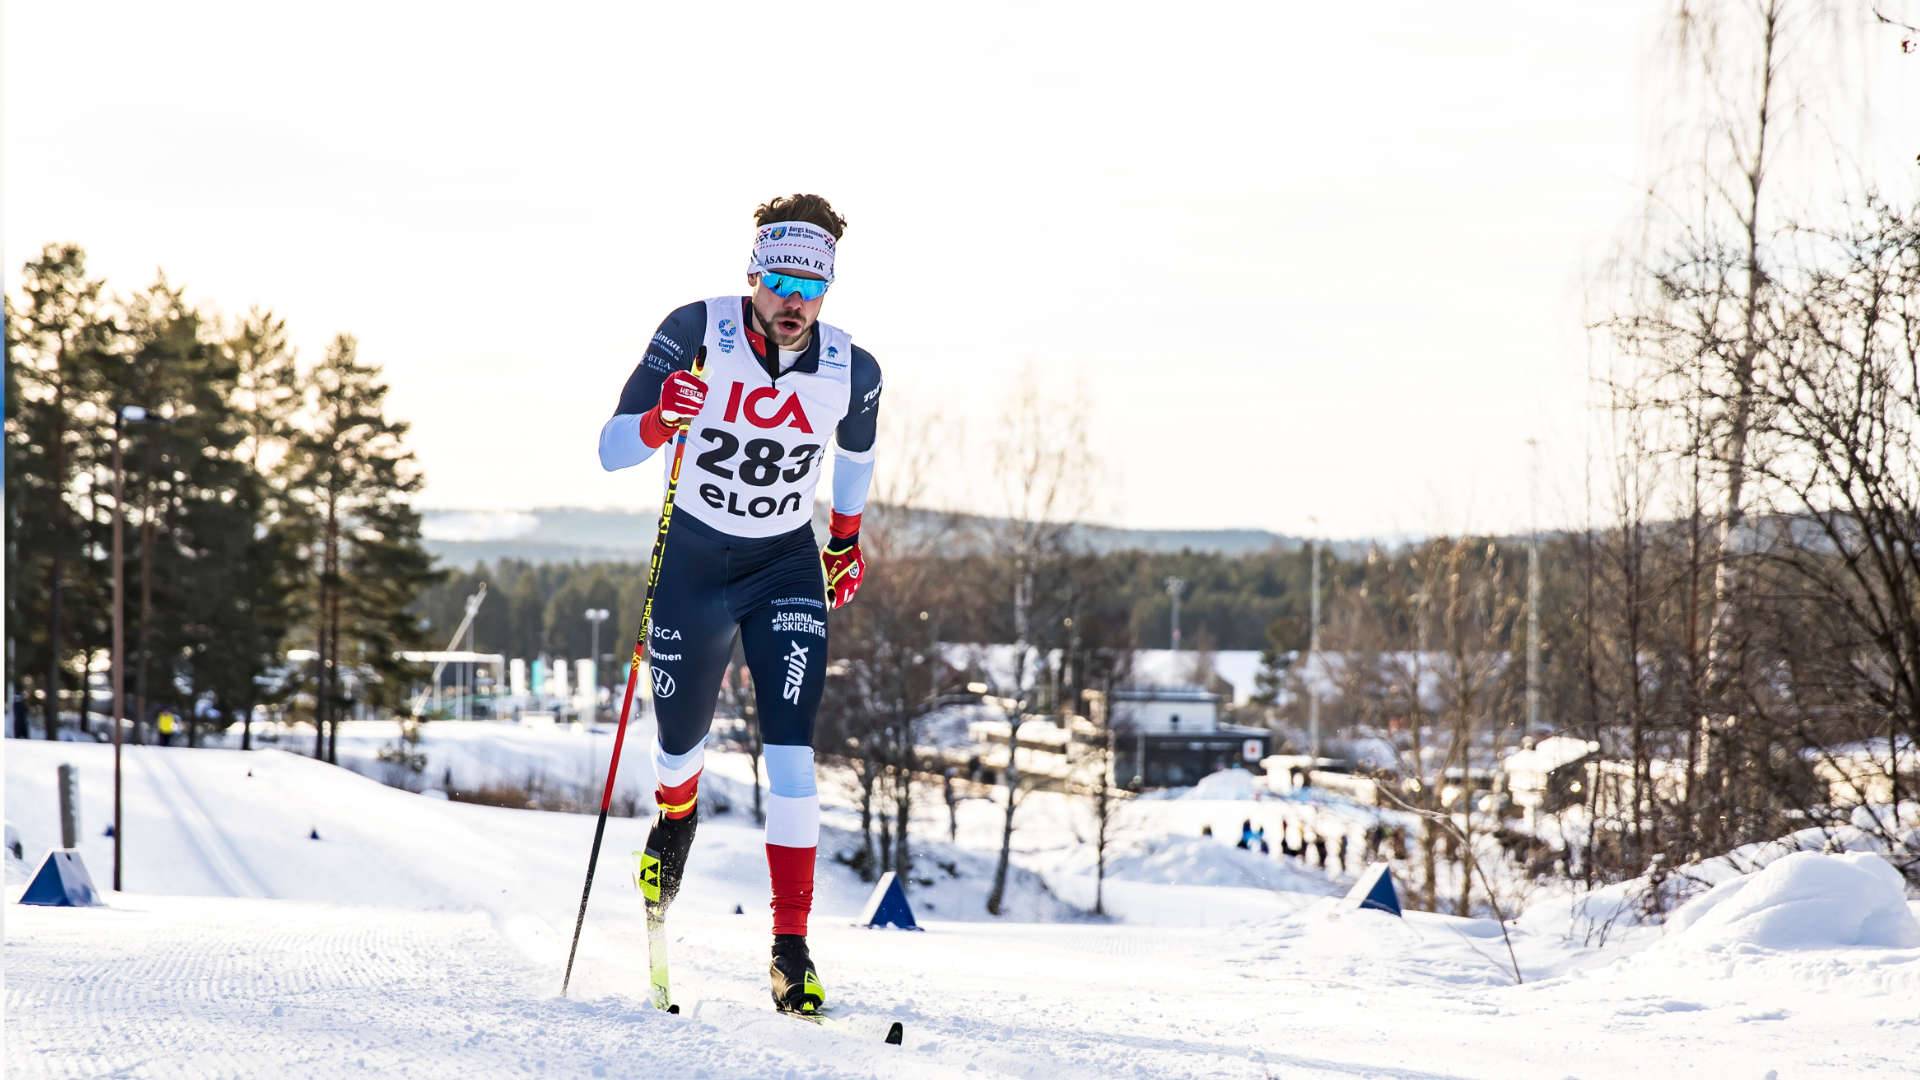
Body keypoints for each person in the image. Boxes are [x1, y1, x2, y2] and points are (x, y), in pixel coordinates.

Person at [598, 194, 881, 1016]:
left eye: (812, 285)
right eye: (781, 280)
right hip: (691, 562)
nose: (794, 301)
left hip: (784, 564)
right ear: (754, 275)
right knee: (679, 749)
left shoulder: (852, 369)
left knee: (793, 753)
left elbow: (857, 455)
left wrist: (846, 539)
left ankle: (790, 948)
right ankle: (673, 820)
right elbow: (612, 448)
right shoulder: (695, 329)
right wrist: (657, 419)